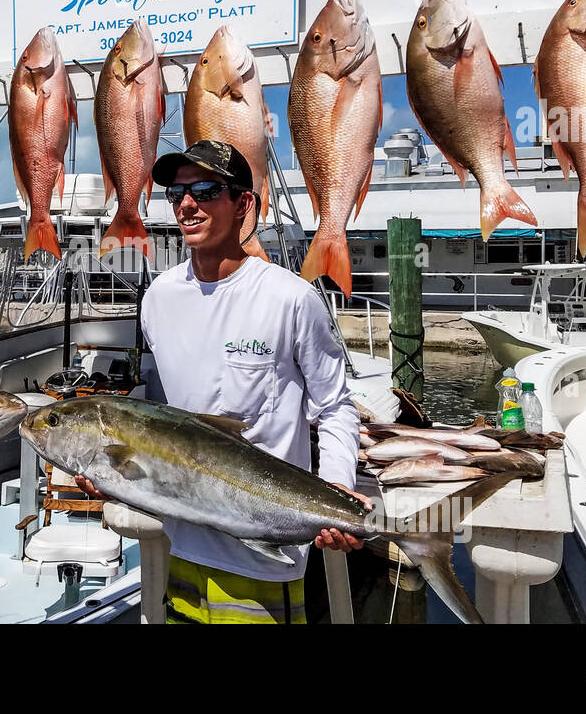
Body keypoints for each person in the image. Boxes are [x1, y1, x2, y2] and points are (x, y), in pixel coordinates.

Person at [77, 139, 370, 624]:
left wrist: (337, 485)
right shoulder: (159, 299)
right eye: (177, 194)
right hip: (184, 541)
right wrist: (112, 477)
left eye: (208, 191)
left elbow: (334, 406)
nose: (188, 204)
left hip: (265, 552)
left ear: (244, 204)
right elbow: (162, 422)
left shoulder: (290, 299)